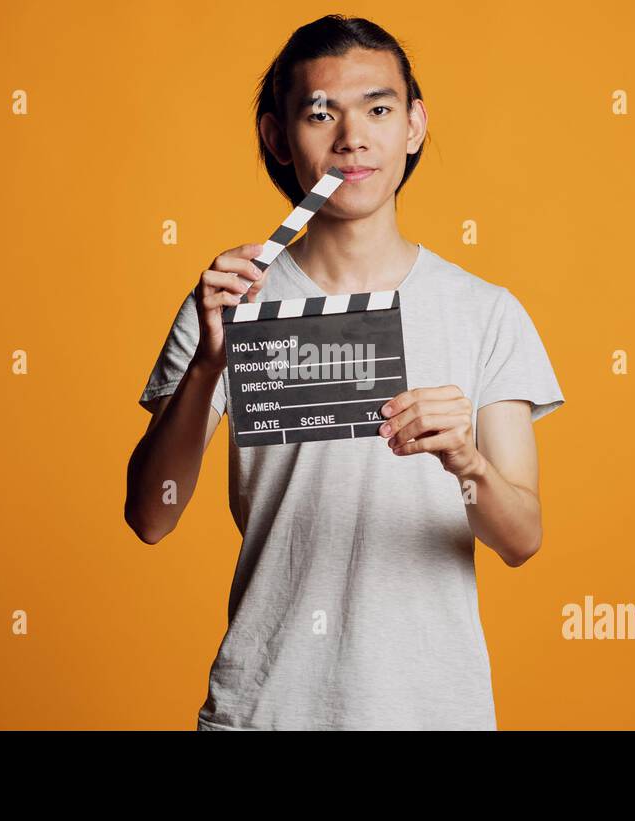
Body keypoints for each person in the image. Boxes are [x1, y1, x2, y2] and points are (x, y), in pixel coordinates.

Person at [126, 14, 565, 730]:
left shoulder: (486, 312)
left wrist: (466, 460)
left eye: (379, 108)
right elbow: (150, 516)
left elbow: (521, 537)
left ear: (415, 125)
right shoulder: (230, 299)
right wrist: (209, 362)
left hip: (434, 709)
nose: (352, 136)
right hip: (266, 703)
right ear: (277, 136)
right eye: (320, 112)